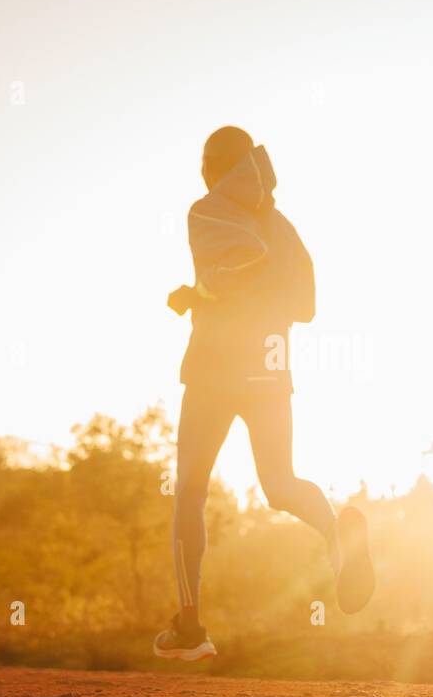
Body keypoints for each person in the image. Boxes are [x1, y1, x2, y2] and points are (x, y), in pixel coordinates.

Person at [155, 126, 374, 661]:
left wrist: (196, 293)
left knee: (190, 491)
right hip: (271, 368)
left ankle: (190, 628)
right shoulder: (283, 226)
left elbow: (233, 270)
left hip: (214, 368)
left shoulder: (205, 210)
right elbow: (307, 308)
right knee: (280, 482)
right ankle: (336, 535)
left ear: (212, 167)